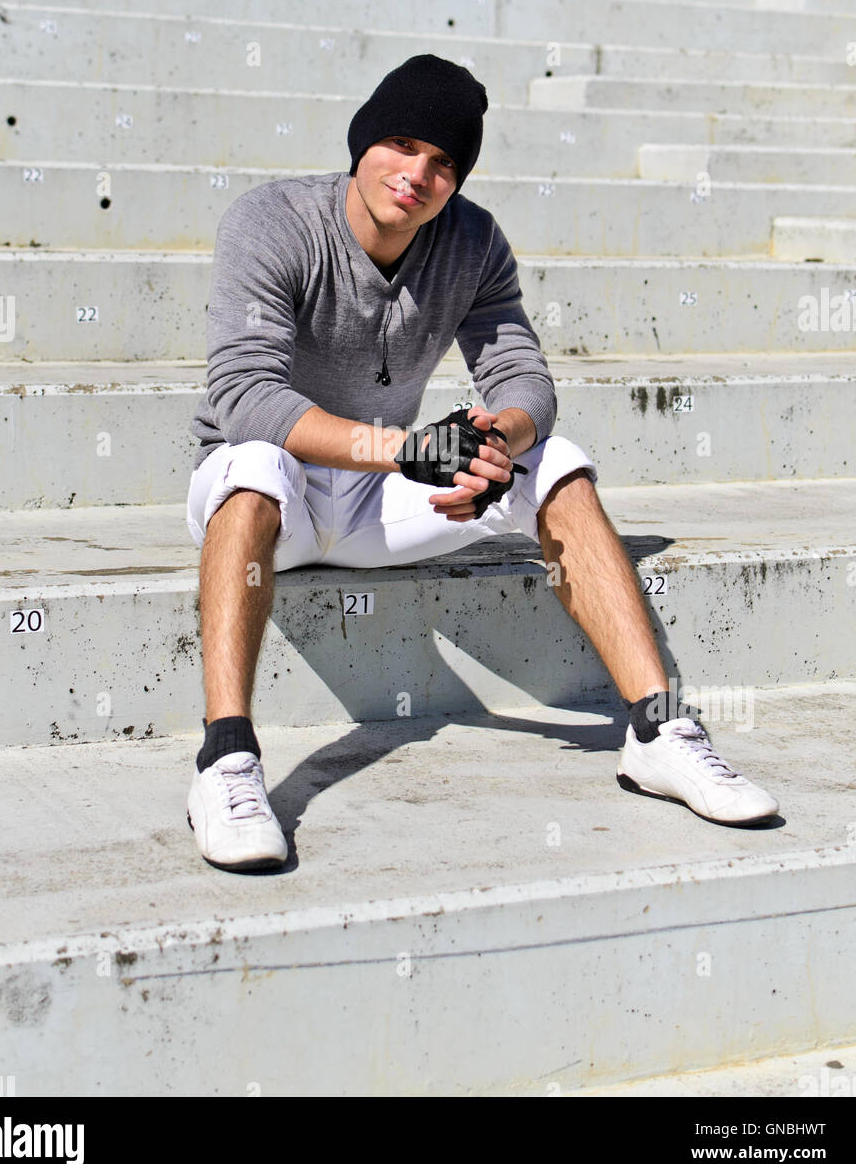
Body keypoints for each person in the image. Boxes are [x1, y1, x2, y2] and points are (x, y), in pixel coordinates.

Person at [185, 53, 778, 871]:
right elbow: (245, 394)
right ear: (362, 141)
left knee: (556, 458)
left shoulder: (472, 241)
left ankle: (657, 729)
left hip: (374, 504)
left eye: (444, 163)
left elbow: (523, 377)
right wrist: (404, 451)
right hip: (271, 494)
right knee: (251, 464)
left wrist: (495, 445)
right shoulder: (273, 220)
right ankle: (225, 760)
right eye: (401, 143)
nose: (417, 174)